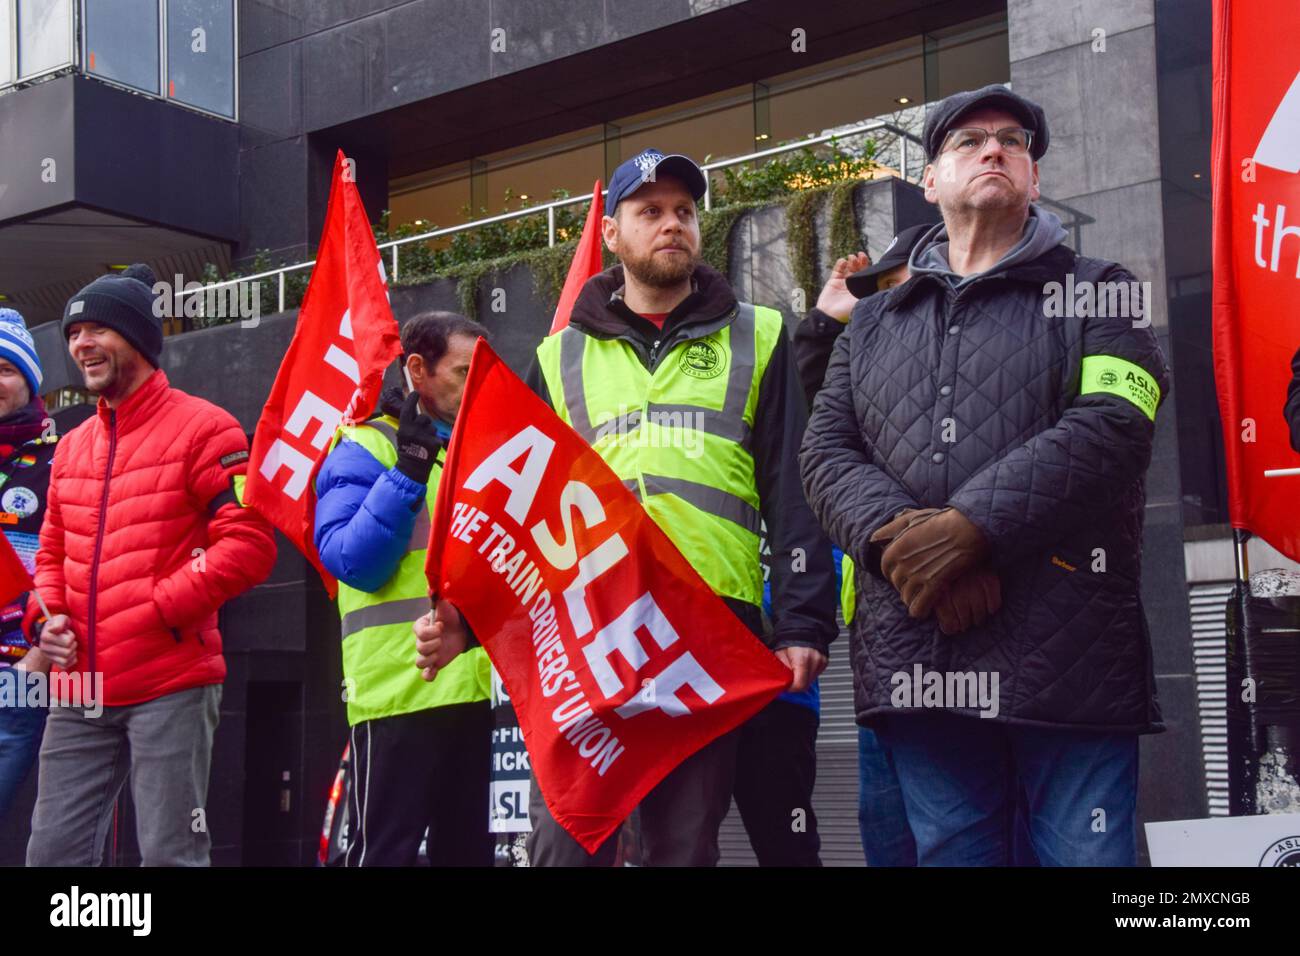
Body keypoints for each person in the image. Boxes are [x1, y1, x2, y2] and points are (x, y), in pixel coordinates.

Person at [416, 148, 839, 867]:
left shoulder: (760, 334)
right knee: (567, 842)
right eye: (649, 212)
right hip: (591, 634)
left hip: (706, 634)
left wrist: (802, 620)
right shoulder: (556, 359)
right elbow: (517, 515)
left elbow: (794, 490)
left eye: (683, 211)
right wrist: (472, 623)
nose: (671, 224)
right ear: (612, 234)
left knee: (681, 846)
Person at [800, 84, 1170, 867]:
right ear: (929, 181)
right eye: (967, 142)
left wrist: (973, 534)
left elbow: (1114, 426)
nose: (994, 149)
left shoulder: (1104, 289)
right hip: (922, 642)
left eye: (1012, 140)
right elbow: (824, 453)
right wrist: (911, 545)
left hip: (1069, 656)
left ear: (1034, 177)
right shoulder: (870, 321)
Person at [24, 264, 276, 866]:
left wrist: (160, 607)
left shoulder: (206, 427)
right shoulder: (71, 446)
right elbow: (51, 553)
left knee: (171, 853)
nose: (81, 344)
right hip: (80, 687)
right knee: (52, 854)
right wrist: (44, 620)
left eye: (98, 329)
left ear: (139, 337)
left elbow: (251, 546)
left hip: (171, 681)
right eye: (73, 333)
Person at [315, 312, 493, 867]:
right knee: (383, 857)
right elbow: (354, 561)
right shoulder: (363, 445)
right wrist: (409, 473)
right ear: (418, 369)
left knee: (468, 858)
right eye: (465, 373)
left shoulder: (486, 450)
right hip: (397, 693)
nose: (479, 387)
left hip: (479, 693)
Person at [0, 310, 57, 824]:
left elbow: (77, 561)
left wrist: (34, 663)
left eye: (5, 368)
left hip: (16, 674)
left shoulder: (62, 458)